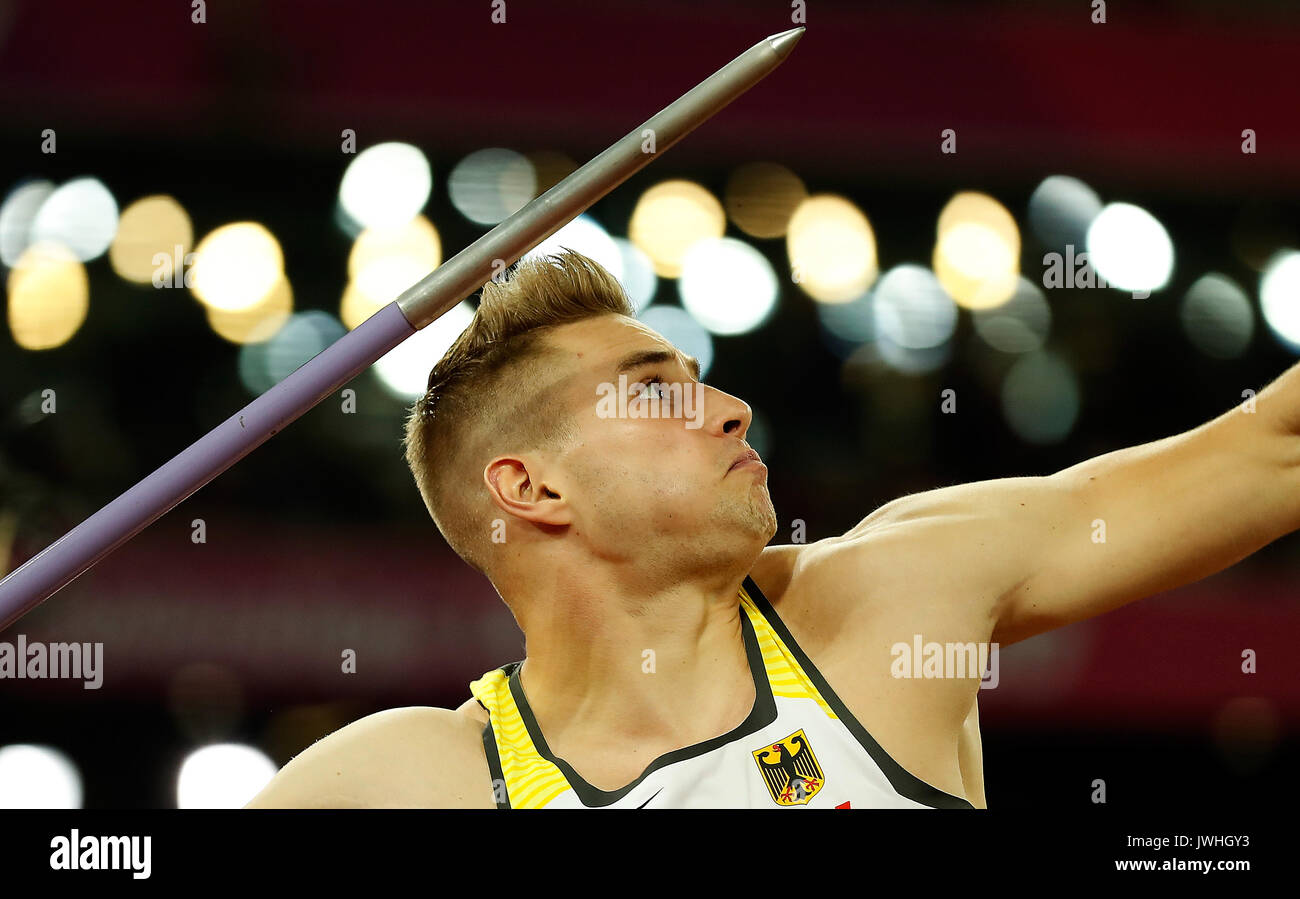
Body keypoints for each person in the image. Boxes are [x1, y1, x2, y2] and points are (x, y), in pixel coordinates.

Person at [246, 249, 1300, 808]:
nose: (728, 407)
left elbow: (1269, 452)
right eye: (655, 393)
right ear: (533, 489)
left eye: (700, 379)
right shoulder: (421, 780)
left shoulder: (879, 608)